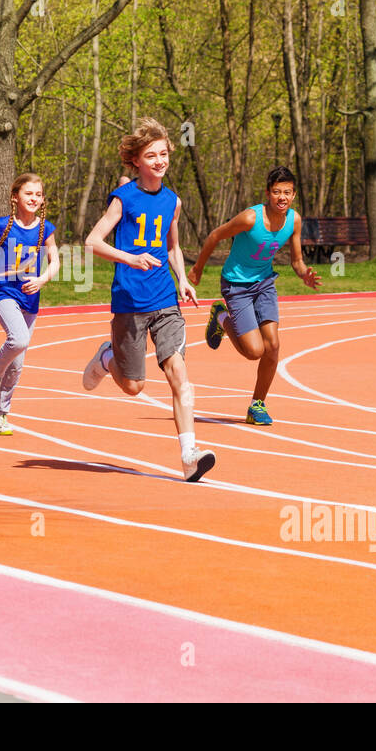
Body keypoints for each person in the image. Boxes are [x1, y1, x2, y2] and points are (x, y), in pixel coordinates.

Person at [81, 118, 215, 482]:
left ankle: (189, 454)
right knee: (133, 386)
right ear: (136, 161)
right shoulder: (123, 198)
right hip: (129, 301)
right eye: (151, 155)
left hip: (164, 298)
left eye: (164, 154)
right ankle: (108, 357)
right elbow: (92, 241)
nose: (159, 161)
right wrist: (130, 257)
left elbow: (172, 245)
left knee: (180, 375)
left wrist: (183, 280)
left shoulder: (172, 200)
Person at [187, 165, 321, 425]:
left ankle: (257, 405)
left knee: (273, 346)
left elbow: (296, 260)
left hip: (264, 284)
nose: (282, 197)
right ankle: (222, 316)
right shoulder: (250, 218)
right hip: (236, 286)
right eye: (276, 192)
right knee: (254, 351)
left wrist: (304, 274)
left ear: (293, 195)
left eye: (287, 192)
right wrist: (198, 268)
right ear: (268, 194)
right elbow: (215, 236)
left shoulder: (294, 220)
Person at [0, 173, 60, 435]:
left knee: (17, 364)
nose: (34, 198)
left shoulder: (45, 228)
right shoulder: (3, 225)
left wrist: (41, 280)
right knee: (18, 339)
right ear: (15, 197)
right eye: (29, 193)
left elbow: (56, 262)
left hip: (30, 297)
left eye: (38, 194)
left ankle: (0, 413)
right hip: (4, 292)